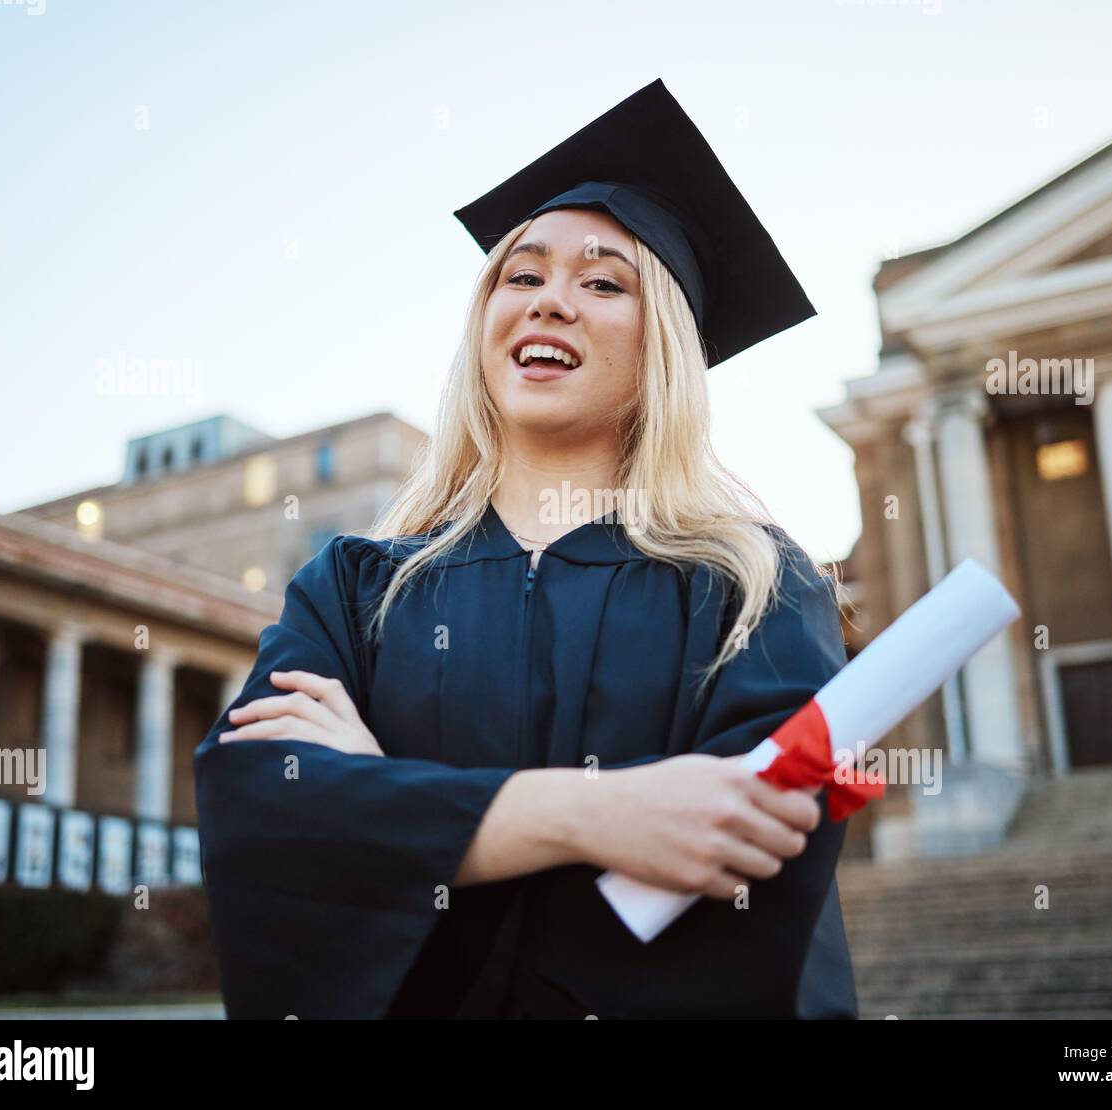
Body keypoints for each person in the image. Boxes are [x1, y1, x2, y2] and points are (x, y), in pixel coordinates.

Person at [194, 79, 860, 1019]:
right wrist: (599, 815)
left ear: (664, 341)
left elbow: (746, 852)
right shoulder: (355, 590)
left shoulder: (751, 583)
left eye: (602, 281)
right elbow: (266, 814)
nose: (552, 302)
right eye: (523, 274)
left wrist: (383, 798)